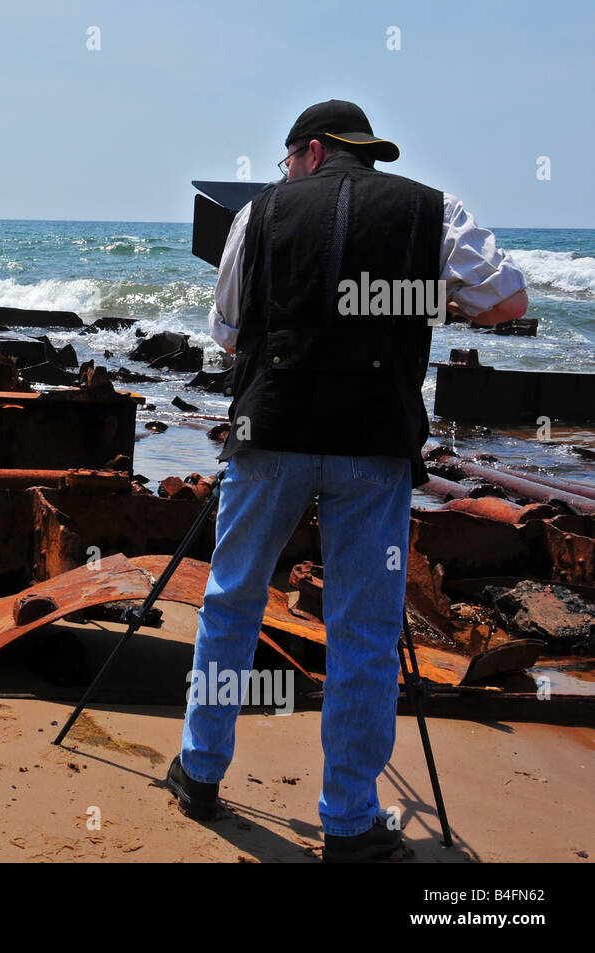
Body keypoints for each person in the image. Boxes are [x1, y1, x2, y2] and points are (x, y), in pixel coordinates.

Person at [165, 100, 528, 862]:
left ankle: (200, 772)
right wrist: (427, 302)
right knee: (362, 628)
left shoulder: (258, 215)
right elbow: (508, 301)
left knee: (231, 600)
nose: (284, 173)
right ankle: (351, 821)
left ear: (313, 149)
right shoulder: (434, 209)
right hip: (373, 440)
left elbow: (226, 333)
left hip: (273, 432)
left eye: (288, 159)